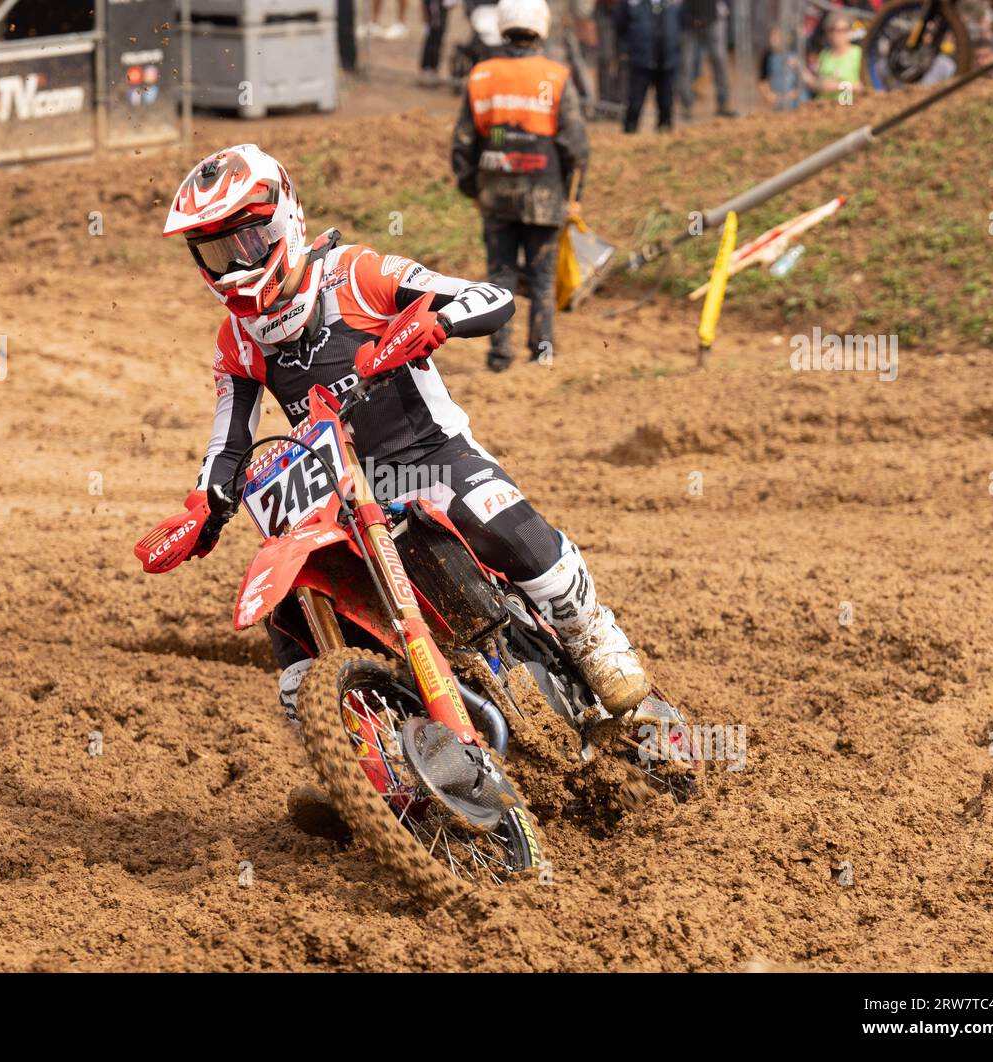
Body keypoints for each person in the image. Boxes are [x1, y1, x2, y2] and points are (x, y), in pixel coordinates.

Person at [160, 143, 652, 751]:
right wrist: (205, 506)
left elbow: (491, 296)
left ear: (284, 218)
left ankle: (591, 635)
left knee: (497, 521)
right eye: (215, 252)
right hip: (336, 491)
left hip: (427, 456)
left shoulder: (357, 274)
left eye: (247, 242)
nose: (235, 266)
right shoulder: (237, 338)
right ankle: (362, 764)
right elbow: (227, 440)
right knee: (286, 607)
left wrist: (435, 320)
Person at [451, 0, 589, 372]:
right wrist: (574, 195)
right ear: (541, 26)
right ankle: (542, 350)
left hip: (495, 196)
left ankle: (499, 356)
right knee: (543, 279)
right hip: (545, 196)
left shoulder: (481, 76)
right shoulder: (556, 76)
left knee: (501, 276)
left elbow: (464, 143)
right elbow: (575, 145)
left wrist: (473, 190)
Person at [615, 0, 683, 132]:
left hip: (667, 62)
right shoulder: (631, 3)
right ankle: (630, 134)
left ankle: (664, 135)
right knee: (634, 104)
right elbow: (620, 26)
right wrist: (627, 50)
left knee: (666, 105)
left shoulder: (673, 4)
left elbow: (683, 24)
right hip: (640, 61)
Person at [678, 0, 735, 119]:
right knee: (686, 65)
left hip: (712, 18)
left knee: (719, 61)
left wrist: (726, 9)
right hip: (689, 20)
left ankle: (723, 104)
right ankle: (686, 106)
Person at [797, 12, 864, 100]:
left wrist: (835, 86)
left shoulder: (858, 54)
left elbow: (863, 87)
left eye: (842, 30)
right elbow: (817, 84)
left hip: (847, 106)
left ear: (850, 31)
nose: (837, 35)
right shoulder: (825, 55)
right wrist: (801, 71)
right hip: (823, 106)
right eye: (833, 30)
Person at [758, 22, 804, 112]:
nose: (773, 39)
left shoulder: (796, 57)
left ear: (788, 39)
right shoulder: (767, 56)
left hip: (797, 105)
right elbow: (762, 80)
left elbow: (803, 83)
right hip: (778, 105)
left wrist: (789, 96)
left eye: (778, 36)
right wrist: (768, 95)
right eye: (772, 36)